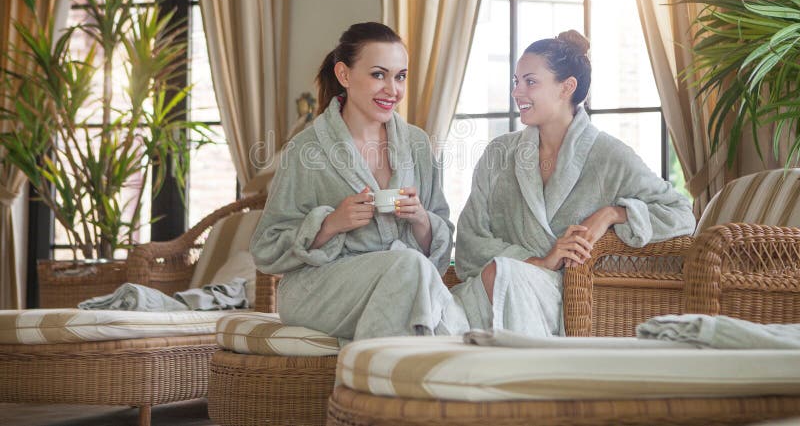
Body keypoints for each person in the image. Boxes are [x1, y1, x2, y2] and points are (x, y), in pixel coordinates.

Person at [451, 30, 696, 337]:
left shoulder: (608, 156)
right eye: (516, 81)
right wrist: (538, 261)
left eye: (530, 82)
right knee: (432, 297)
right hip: (487, 291)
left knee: (505, 275)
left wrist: (612, 214)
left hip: (565, 297)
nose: (516, 92)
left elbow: (681, 214)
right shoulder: (499, 153)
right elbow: (470, 241)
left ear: (566, 87)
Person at [250, 22, 467, 342]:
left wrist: (420, 218)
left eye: (400, 76)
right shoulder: (306, 150)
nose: (393, 89)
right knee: (414, 274)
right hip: (318, 289)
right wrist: (330, 224)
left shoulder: (417, 145)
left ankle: (385, 367)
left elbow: (440, 243)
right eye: (379, 75)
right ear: (344, 75)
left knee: (411, 271)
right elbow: (266, 248)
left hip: (405, 281)